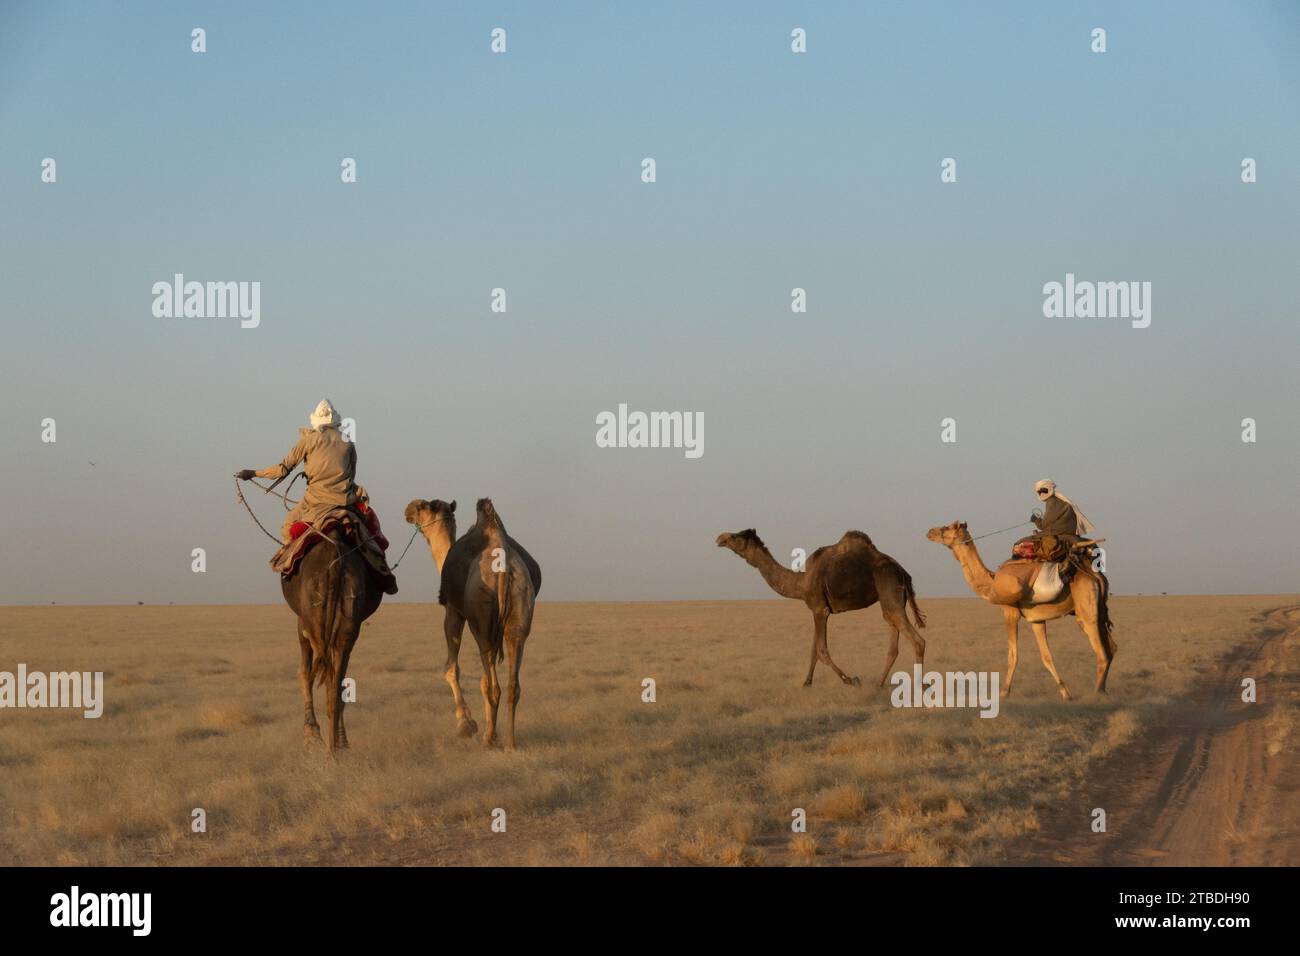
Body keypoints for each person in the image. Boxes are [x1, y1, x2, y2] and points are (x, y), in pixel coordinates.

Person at [236, 399, 357, 544]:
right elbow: (351, 475)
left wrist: (254, 473)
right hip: (344, 499)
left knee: (288, 528)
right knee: (367, 531)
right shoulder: (348, 441)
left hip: (315, 500)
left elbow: (282, 470)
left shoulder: (309, 440)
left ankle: (288, 563)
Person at [1030, 479, 1096, 538]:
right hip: (1069, 531)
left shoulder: (1051, 501)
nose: (1041, 493)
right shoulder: (1060, 500)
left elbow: (1043, 525)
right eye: (1039, 492)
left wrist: (1036, 520)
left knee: (1023, 541)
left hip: (1059, 531)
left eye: (1043, 491)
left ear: (1050, 489)